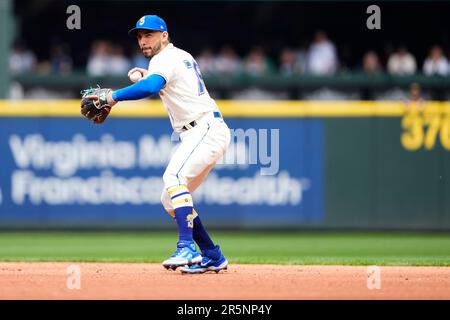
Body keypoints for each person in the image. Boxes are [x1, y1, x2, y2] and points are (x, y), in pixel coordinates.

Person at [82, 15, 230, 274]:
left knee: (173, 177)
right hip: (203, 131)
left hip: (204, 129)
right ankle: (212, 255)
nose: (142, 40)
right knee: (170, 200)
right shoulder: (175, 57)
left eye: (148, 34)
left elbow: (152, 87)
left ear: (164, 35)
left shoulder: (165, 58)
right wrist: (147, 75)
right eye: (139, 36)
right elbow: (162, 81)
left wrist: (114, 96)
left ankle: (186, 247)